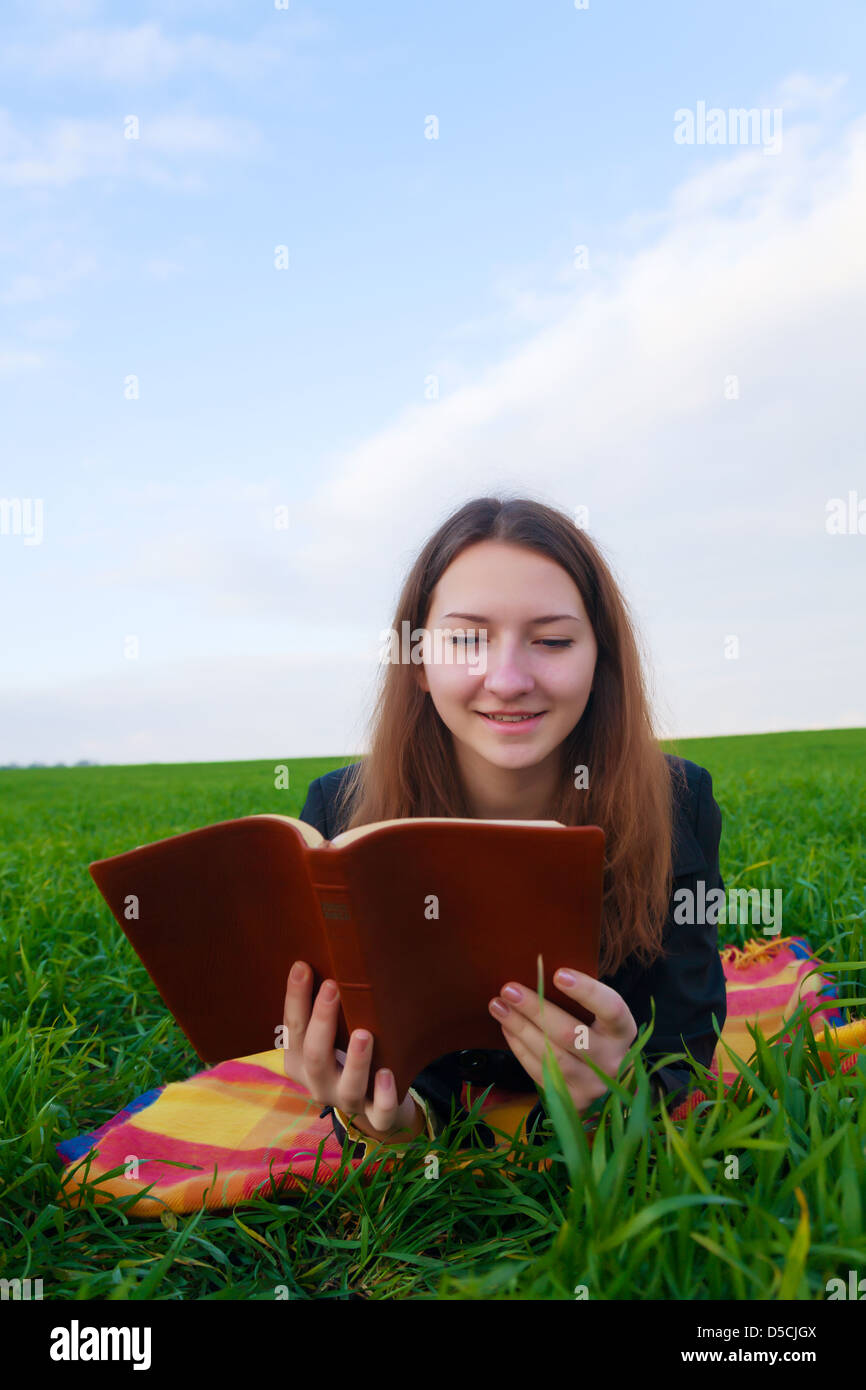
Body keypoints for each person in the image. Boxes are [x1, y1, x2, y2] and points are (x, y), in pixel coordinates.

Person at [281, 496, 727, 1159]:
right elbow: (359, 1054)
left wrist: (621, 1091)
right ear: (419, 663)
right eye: (465, 639)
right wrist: (391, 1121)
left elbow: (685, 1043)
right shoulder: (339, 813)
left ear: (601, 661)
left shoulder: (677, 800)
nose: (510, 679)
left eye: (552, 641)